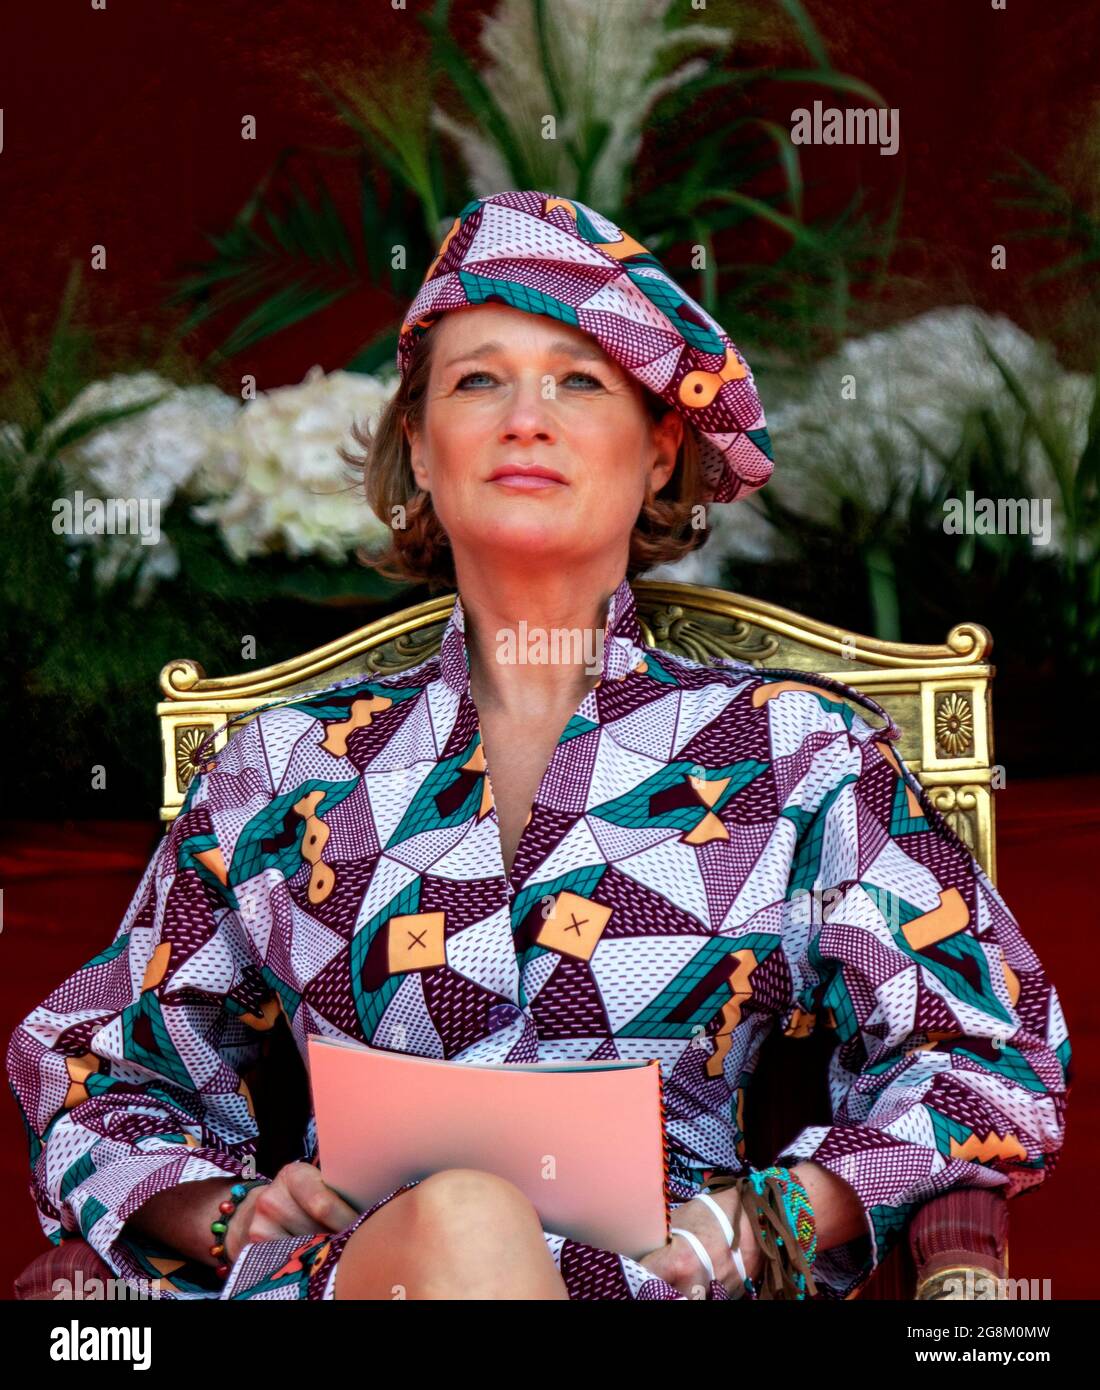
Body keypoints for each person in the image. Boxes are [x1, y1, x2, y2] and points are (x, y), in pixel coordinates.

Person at [7, 191, 1071, 1301]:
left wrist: (780, 1208)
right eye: (477, 380)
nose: (527, 416)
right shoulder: (283, 769)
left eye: (577, 379)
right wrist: (228, 1213)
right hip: (365, 1278)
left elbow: (986, 1056)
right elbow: (94, 1066)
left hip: (677, 1283)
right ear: (417, 448)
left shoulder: (798, 755)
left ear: (662, 451)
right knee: (464, 1215)